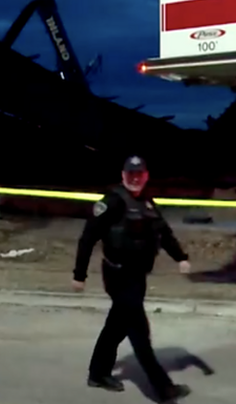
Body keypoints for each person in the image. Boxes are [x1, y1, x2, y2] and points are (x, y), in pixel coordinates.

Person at [72, 155, 193, 403]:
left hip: (137, 276)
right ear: (123, 175)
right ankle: (163, 389)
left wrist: (181, 257)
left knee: (116, 326)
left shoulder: (147, 201)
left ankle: (97, 374)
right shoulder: (112, 202)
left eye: (140, 175)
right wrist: (79, 275)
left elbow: (163, 232)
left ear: (146, 176)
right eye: (131, 174)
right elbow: (87, 238)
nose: (135, 179)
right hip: (117, 274)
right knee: (139, 331)